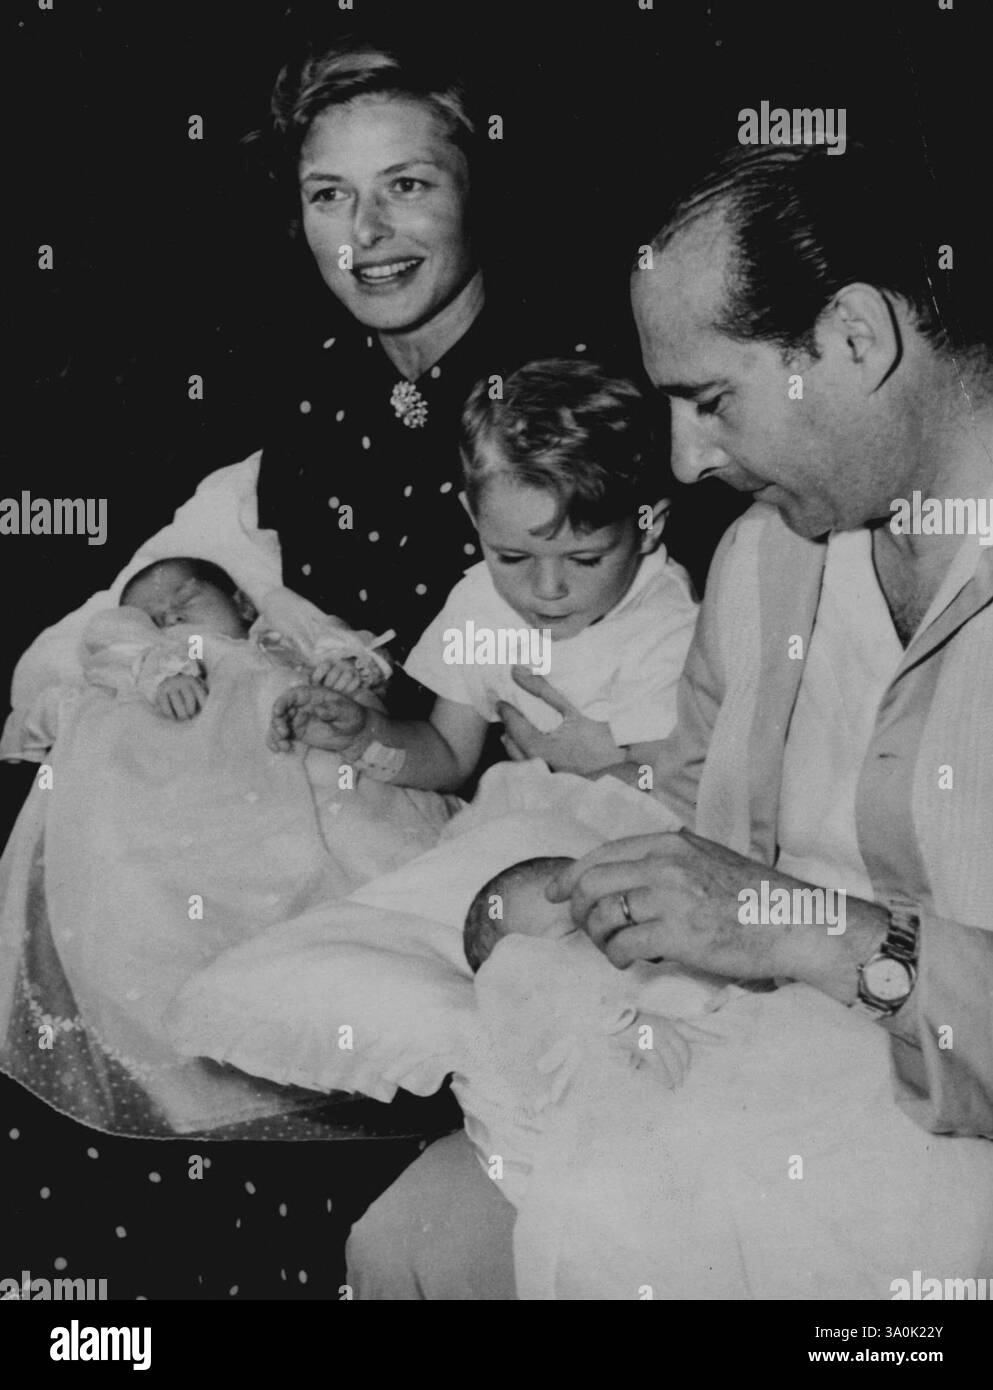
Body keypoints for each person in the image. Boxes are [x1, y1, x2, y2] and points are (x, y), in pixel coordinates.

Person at [345, 139, 993, 1298]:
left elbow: (772, 913)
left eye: (709, 399)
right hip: (754, 1069)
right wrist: (590, 888)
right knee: (402, 1250)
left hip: (955, 1136)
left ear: (854, 337)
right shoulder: (763, 559)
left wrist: (814, 935)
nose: (687, 461)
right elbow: (700, 810)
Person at [268, 358, 698, 788]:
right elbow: (449, 756)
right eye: (512, 557)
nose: (547, 590)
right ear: (473, 519)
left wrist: (578, 773)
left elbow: (666, 788)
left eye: (584, 560)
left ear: (648, 527)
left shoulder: (667, 624)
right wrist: (364, 736)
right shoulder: (480, 602)